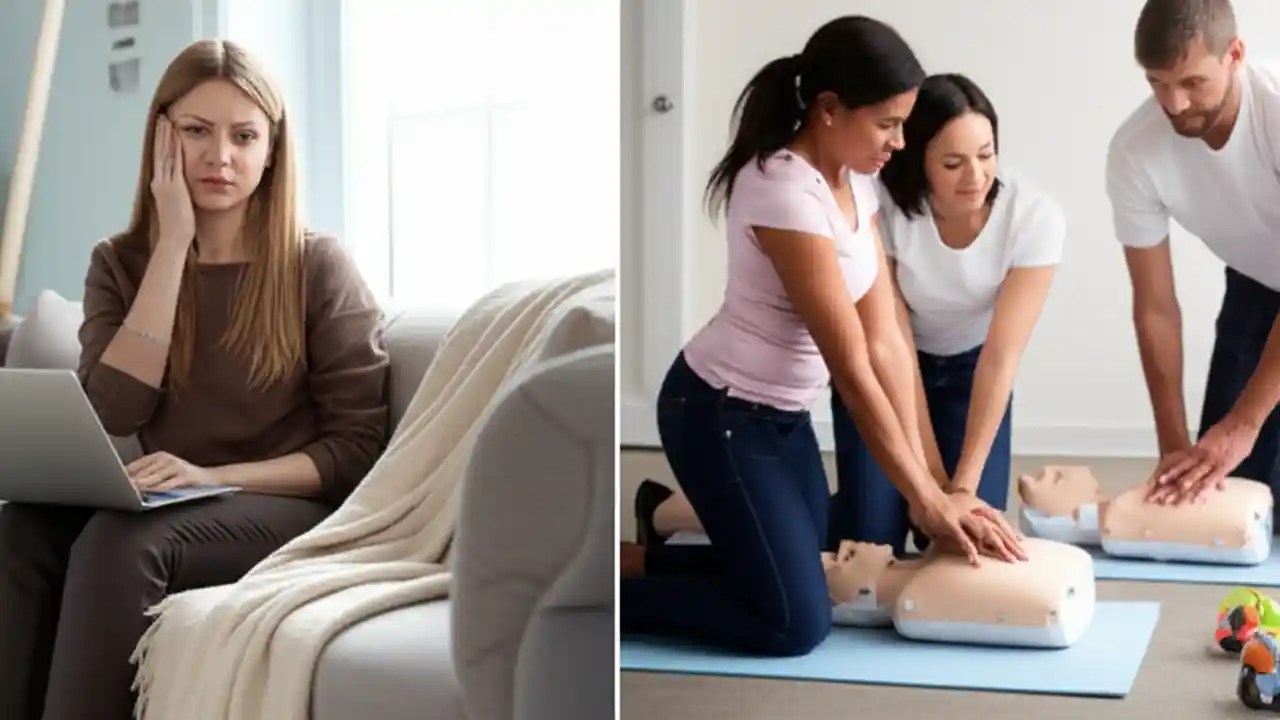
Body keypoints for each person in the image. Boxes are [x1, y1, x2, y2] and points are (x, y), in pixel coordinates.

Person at [0, 40, 390, 720]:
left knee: (118, 545)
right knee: (20, 530)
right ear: (161, 138)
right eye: (196, 132)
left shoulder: (317, 265)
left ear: (272, 150)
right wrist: (173, 245)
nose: (220, 157)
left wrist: (216, 475)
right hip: (173, 499)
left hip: (286, 508)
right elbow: (117, 409)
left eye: (244, 136)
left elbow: (355, 450)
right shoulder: (120, 264)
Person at [619, 17, 1023, 659]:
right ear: (830, 110)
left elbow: (887, 340)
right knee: (794, 625)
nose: (899, 142)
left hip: (781, 420)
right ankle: (604, 601)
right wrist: (923, 499)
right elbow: (852, 365)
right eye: (888, 124)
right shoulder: (783, 190)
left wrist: (944, 487)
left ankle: (634, 561)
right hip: (719, 413)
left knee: (817, 573)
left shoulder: (856, 180)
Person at [635, 73, 1065, 557]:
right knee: (864, 541)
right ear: (917, 160)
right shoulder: (881, 202)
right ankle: (668, 511)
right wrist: (928, 485)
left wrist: (960, 489)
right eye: (952, 162)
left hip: (972, 371)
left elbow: (1000, 360)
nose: (976, 177)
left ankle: (723, 511)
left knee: (968, 536)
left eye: (987, 155)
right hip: (886, 371)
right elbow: (890, 345)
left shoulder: (1034, 218)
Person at [1106, 0, 1280, 509]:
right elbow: (1156, 306)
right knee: (1218, 481)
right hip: (1256, 280)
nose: (1175, 104)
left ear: (1235, 54)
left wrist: (1247, 420)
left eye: (1191, 83)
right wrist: (1172, 443)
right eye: (1157, 83)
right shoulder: (1135, 153)